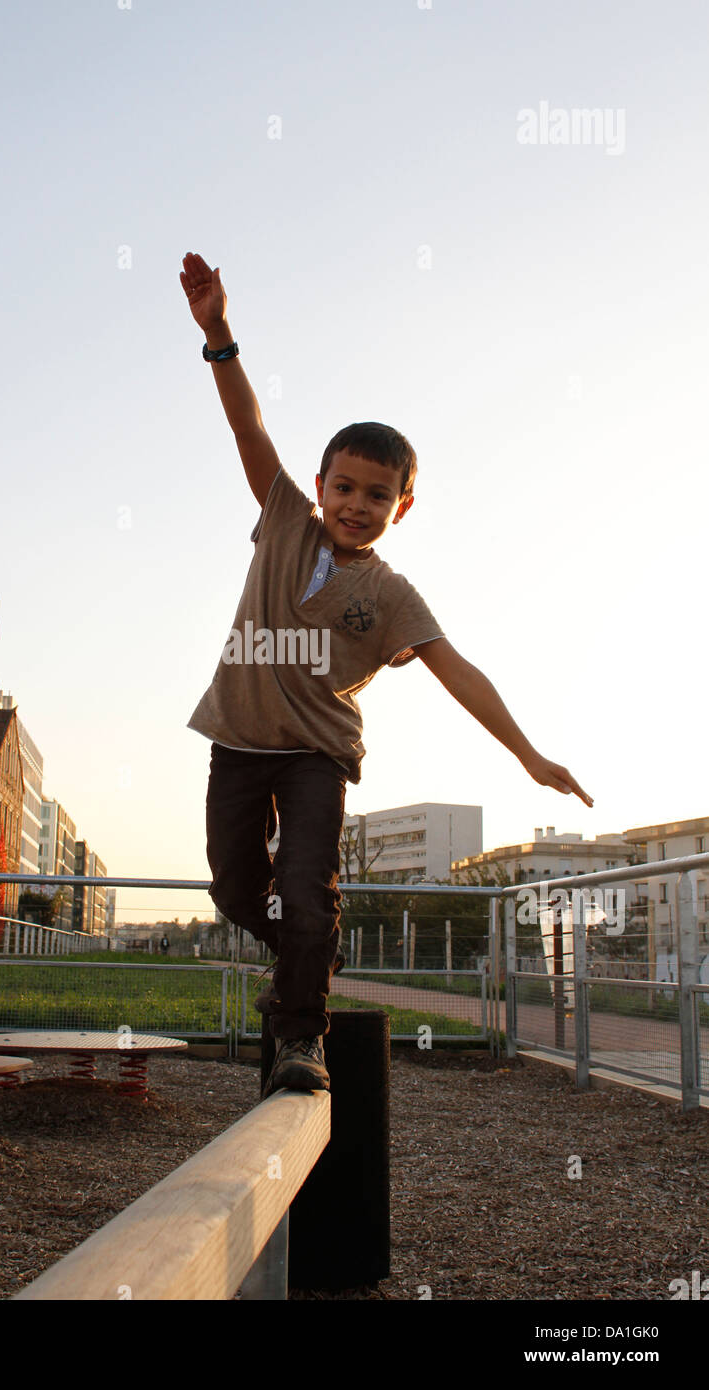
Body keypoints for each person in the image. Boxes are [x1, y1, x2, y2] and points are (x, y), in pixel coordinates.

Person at [179, 251, 592, 1097]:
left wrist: (527, 755)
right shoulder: (285, 517)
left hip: (316, 756)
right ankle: (308, 952)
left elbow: (459, 670)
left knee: (308, 885)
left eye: (376, 495)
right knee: (234, 888)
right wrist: (220, 335)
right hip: (236, 739)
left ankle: (301, 1035)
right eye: (345, 487)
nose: (355, 504)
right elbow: (247, 428)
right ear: (322, 483)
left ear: (401, 506)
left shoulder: (393, 594)